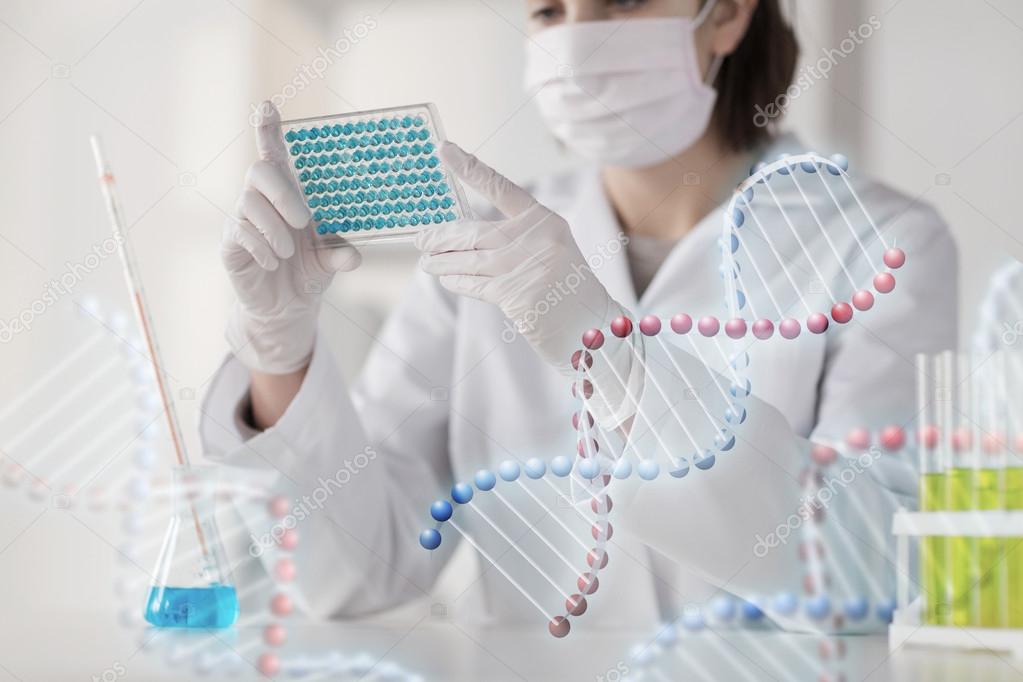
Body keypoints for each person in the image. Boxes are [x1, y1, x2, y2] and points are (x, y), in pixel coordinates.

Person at [201, 0, 958, 631]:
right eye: (548, 10)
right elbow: (358, 574)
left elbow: (869, 575)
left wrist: (616, 362)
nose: (576, 36)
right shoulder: (479, 247)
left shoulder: (881, 243)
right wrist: (279, 350)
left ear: (725, 13)